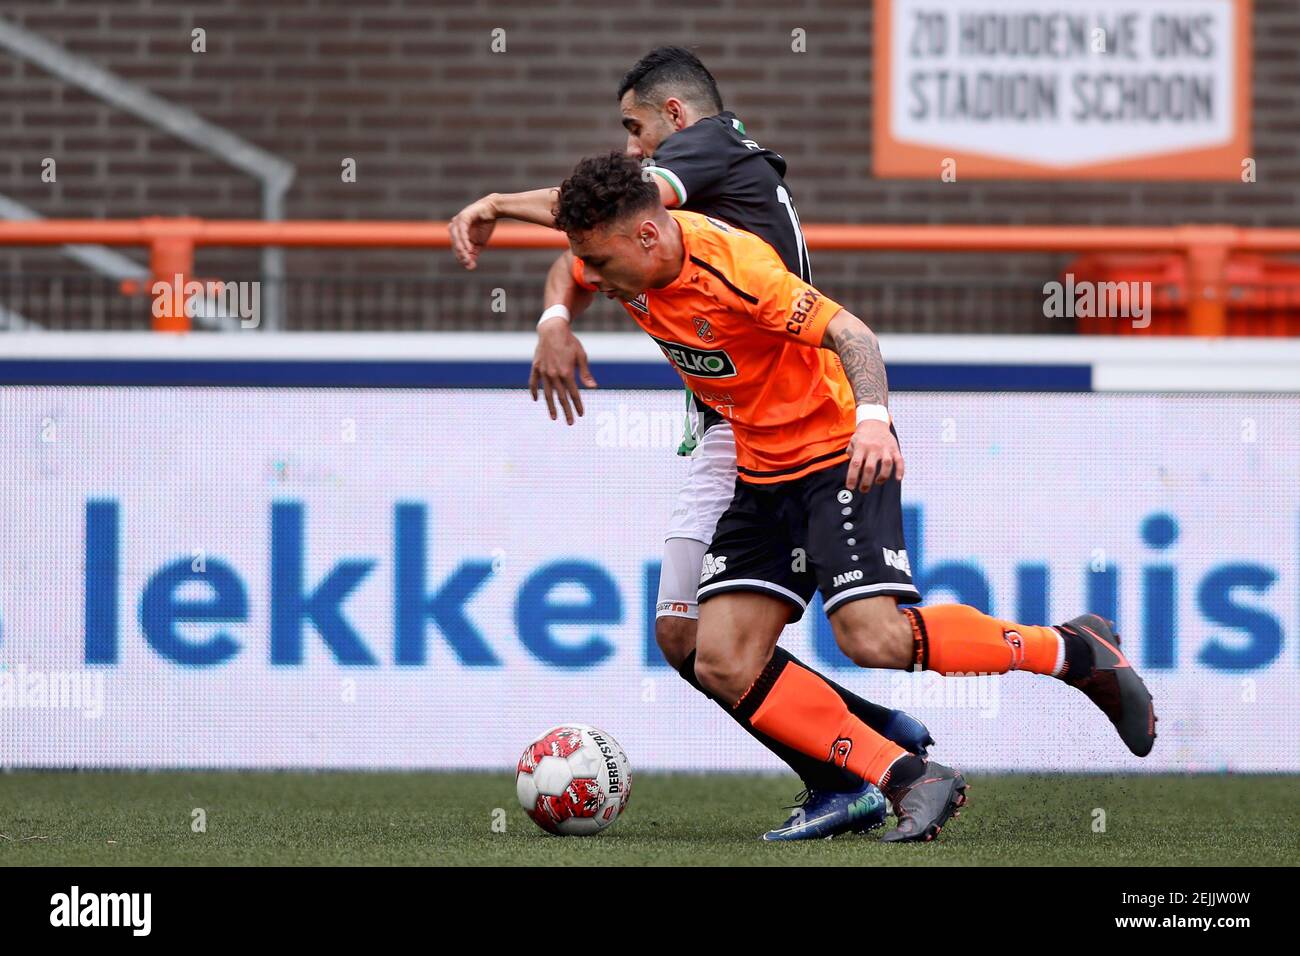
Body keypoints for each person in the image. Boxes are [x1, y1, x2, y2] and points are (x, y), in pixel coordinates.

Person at [549, 151, 1159, 842]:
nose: (590, 278)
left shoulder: (735, 269)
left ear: (648, 237)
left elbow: (851, 334)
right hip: (760, 471)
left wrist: (872, 418)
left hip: (837, 452)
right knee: (717, 657)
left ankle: (1073, 652)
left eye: (598, 262)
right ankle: (907, 776)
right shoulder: (615, 254)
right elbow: (567, 267)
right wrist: (550, 320)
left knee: (872, 638)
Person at [449, 47, 932, 840]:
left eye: (635, 129)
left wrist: (500, 202)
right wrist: (555, 318)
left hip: (765, 427)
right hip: (734, 421)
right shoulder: (689, 196)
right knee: (684, 635)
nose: (634, 149)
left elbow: (593, 211)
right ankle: (876, 743)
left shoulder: (705, 149)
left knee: (822, 633)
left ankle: (864, 766)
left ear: (674, 117)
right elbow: (585, 246)